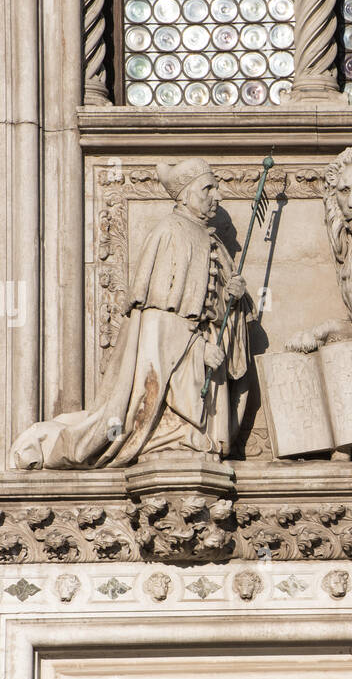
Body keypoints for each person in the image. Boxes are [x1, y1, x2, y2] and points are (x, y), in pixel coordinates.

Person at [12, 157, 250, 469]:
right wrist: (198, 350)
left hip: (201, 365)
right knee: (124, 429)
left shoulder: (211, 239)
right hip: (179, 362)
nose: (217, 195)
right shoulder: (171, 233)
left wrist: (234, 300)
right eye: (208, 188)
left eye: (217, 188)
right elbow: (157, 318)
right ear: (186, 194)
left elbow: (213, 310)